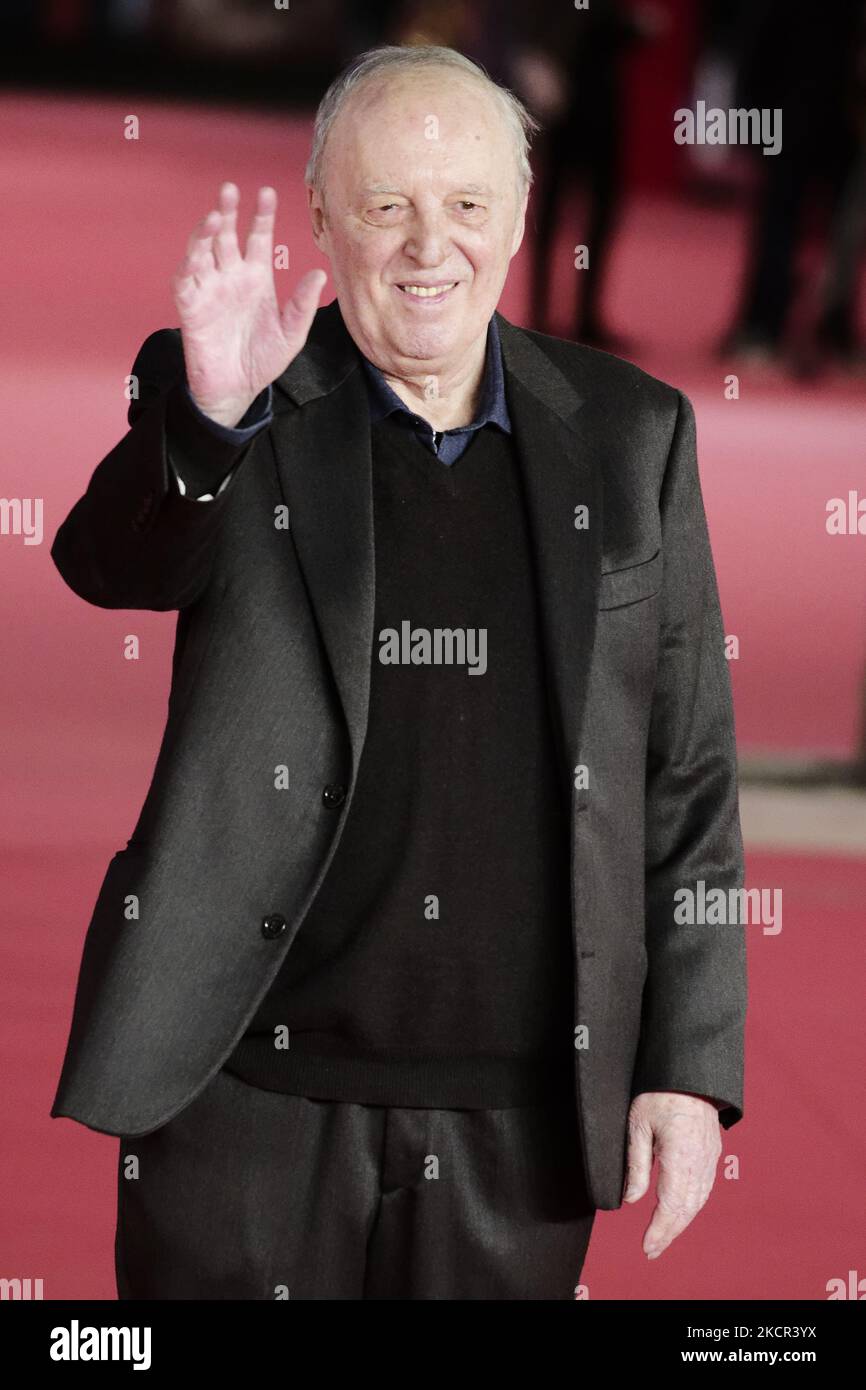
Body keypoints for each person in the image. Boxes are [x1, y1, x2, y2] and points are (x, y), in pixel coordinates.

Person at [50, 44, 746, 1301]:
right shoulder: (237, 385)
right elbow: (106, 564)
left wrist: (688, 1065)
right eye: (385, 207)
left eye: (466, 205)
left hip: (516, 1123)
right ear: (322, 216)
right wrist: (209, 420)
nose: (431, 245)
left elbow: (685, 775)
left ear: (520, 216)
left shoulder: (632, 434)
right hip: (244, 1098)